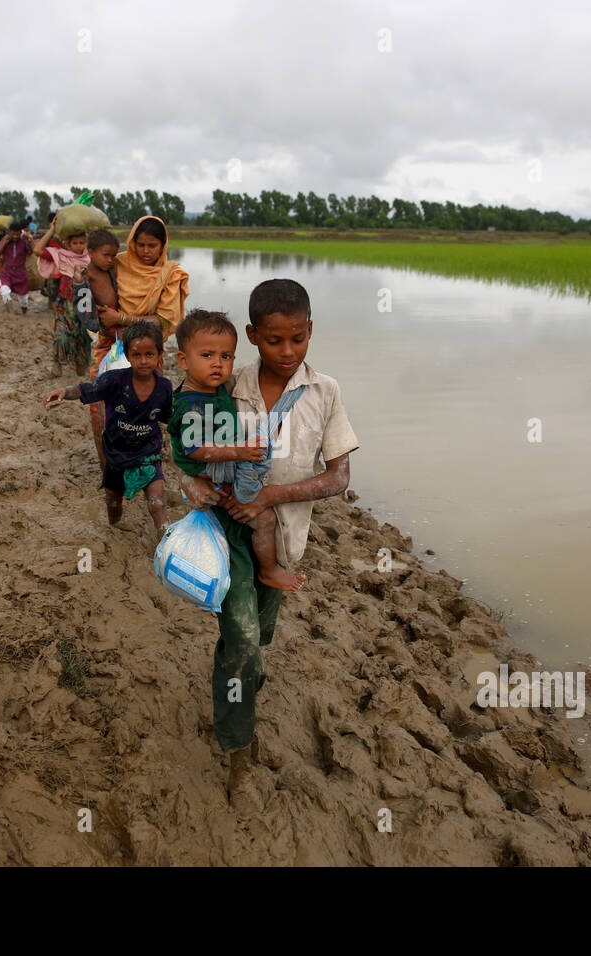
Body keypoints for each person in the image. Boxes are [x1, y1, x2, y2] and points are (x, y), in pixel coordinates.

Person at [177, 279, 358, 810]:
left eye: (298, 340)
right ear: (253, 335)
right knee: (244, 643)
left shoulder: (325, 392)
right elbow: (189, 448)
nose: (287, 351)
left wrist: (272, 496)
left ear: (309, 332)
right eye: (274, 341)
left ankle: (234, 689)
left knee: (256, 644)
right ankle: (239, 752)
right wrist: (192, 483)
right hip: (228, 537)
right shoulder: (224, 383)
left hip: (282, 544)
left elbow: (338, 477)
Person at [169, 309, 303, 592]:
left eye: (226, 356)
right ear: (183, 360)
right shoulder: (191, 403)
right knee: (260, 476)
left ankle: (266, 565)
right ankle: (247, 500)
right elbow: (195, 450)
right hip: (206, 465)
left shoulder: (213, 389)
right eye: (207, 356)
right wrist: (239, 452)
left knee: (264, 513)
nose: (218, 364)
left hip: (220, 460)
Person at [43, 320, 171, 535]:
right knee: (113, 500)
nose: (143, 361)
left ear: (159, 355)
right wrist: (65, 392)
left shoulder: (164, 387)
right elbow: (86, 389)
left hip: (148, 454)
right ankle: (116, 523)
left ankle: (165, 539)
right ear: (127, 356)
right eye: (136, 355)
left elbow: (168, 417)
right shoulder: (115, 381)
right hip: (116, 455)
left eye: (149, 355)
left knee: (157, 503)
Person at [97, 216, 189, 358]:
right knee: (107, 379)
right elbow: (97, 287)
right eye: (140, 245)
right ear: (133, 243)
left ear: (162, 245)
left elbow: (162, 320)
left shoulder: (171, 275)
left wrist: (120, 318)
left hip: (147, 346)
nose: (145, 251)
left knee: (146, 380)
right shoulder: (117, 263)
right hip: (112, 338)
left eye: (152, 246)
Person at [83, 228, 121, 468]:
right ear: (90, 252)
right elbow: (86, 318)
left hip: (129, 342)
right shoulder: (84, 278)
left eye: (113, 256)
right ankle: (105, 460)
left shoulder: (116, 271)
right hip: (106, 343)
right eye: (105, 255)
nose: (109, 260)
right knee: (98, 399)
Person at [32, 220, 90, 377]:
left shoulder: (91, 258)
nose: (79, 246)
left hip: (85, 305)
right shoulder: (62, 256)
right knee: (61, 335)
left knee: (84, 339)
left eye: (82, 242)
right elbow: (37, 249)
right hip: (65, 304)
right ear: (68, 244)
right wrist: (51, 230)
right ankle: (57, 361)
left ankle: (80, 363)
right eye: (75, 243)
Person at [0, 220, 32, 313]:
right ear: (9, 232)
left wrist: (30, 239)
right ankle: (10, 313)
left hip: (20, 272)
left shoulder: (24, 242)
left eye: (17, 234)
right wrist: (4, 242)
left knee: (23, 298)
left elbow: (31, 252)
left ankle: (24, 309)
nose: (15, 236)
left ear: (20, 233)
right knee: (4, 291)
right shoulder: (4, 240)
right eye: (13, 234)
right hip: (6, 271)